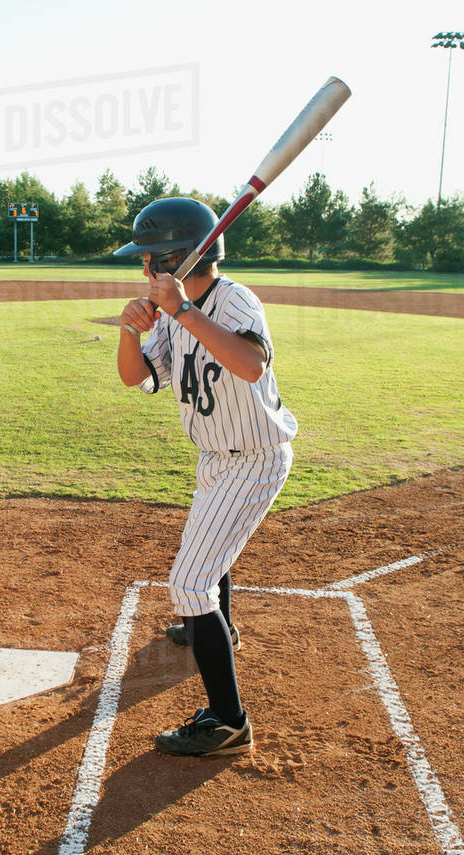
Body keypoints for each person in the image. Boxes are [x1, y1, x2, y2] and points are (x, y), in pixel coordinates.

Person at [114, 197, 298, 757]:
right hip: (217, 458)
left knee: (188, 584)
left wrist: (183, 310)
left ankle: (228, 720)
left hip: (254, 459)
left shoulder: (235, 299)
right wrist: (131, 328)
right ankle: (221, 628)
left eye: (149, 260)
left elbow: (250, 363)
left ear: (172, 261)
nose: (143, 269)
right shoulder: (174, 313)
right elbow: (137, 378)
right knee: (205, 565)